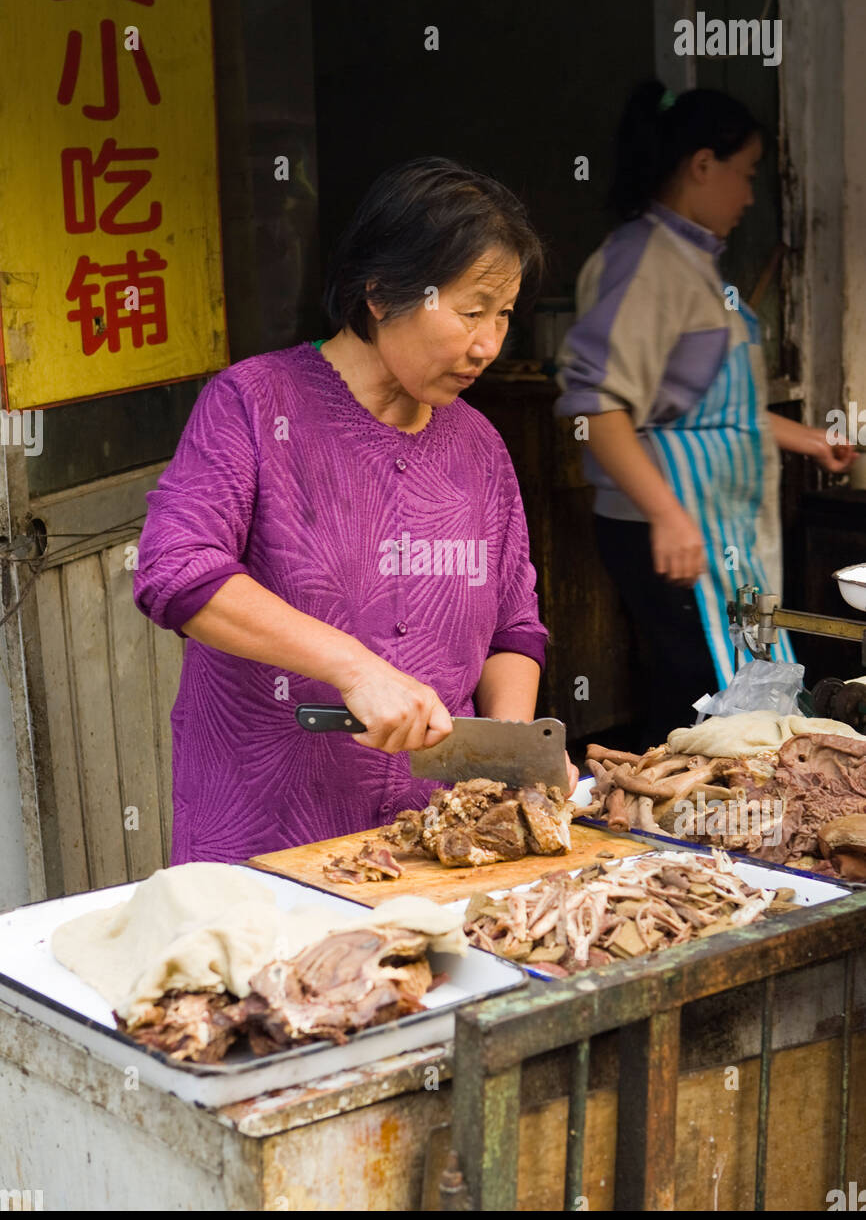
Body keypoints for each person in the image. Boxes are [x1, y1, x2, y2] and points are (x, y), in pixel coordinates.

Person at [134, 156, 578, 862]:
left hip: (431, 846)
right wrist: (356, 668)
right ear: (380, 293)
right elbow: (177, 574)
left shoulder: (479, 445)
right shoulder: (253, 404)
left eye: (502, 317)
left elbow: (513, 629)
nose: (488, 345)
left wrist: (507, 759)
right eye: (469, 313)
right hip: (267, 836)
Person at [555, 81, 857, 747]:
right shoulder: (640, 264)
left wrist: (810, 441)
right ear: (701, 166)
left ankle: (704, 829)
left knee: (716, 689)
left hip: (707, 525)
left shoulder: (692, 263)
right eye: (745, 174)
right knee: (698, 692)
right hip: (664, 526)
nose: (749, 196)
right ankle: (682, 831)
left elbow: (711, 411)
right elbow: (597, 405)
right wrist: (666, 513)